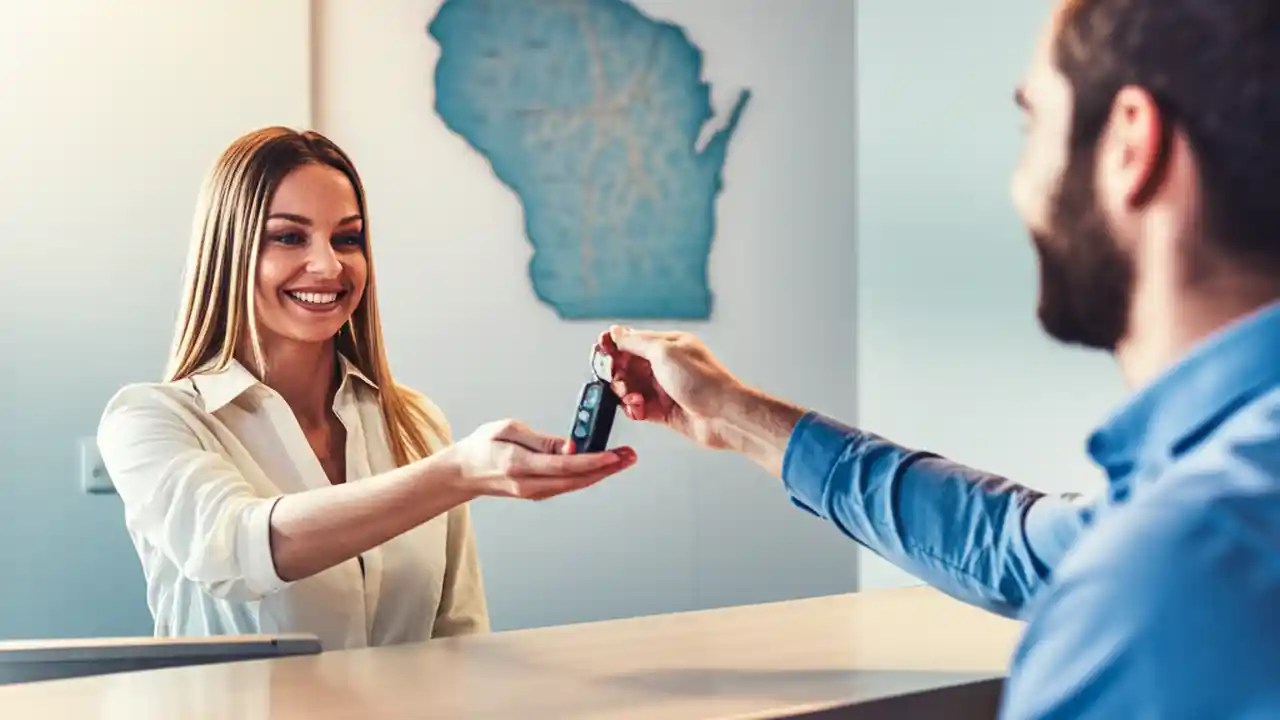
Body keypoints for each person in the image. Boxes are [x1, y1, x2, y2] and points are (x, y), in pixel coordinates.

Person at [597, 0, 1280, 716]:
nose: (1021, 187)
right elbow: (1018, 548)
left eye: (1032, 125)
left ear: (1129, 147)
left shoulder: (1164, 588)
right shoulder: (1204, 495)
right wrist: (737, 416)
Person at [97, 127, 636, 650]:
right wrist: (456, 474)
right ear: (230, 252)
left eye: (347, 238)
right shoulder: (152, 421)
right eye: (289, 237)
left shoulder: (415, 422)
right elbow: (239, 550)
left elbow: (459, 634)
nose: (329, 265)